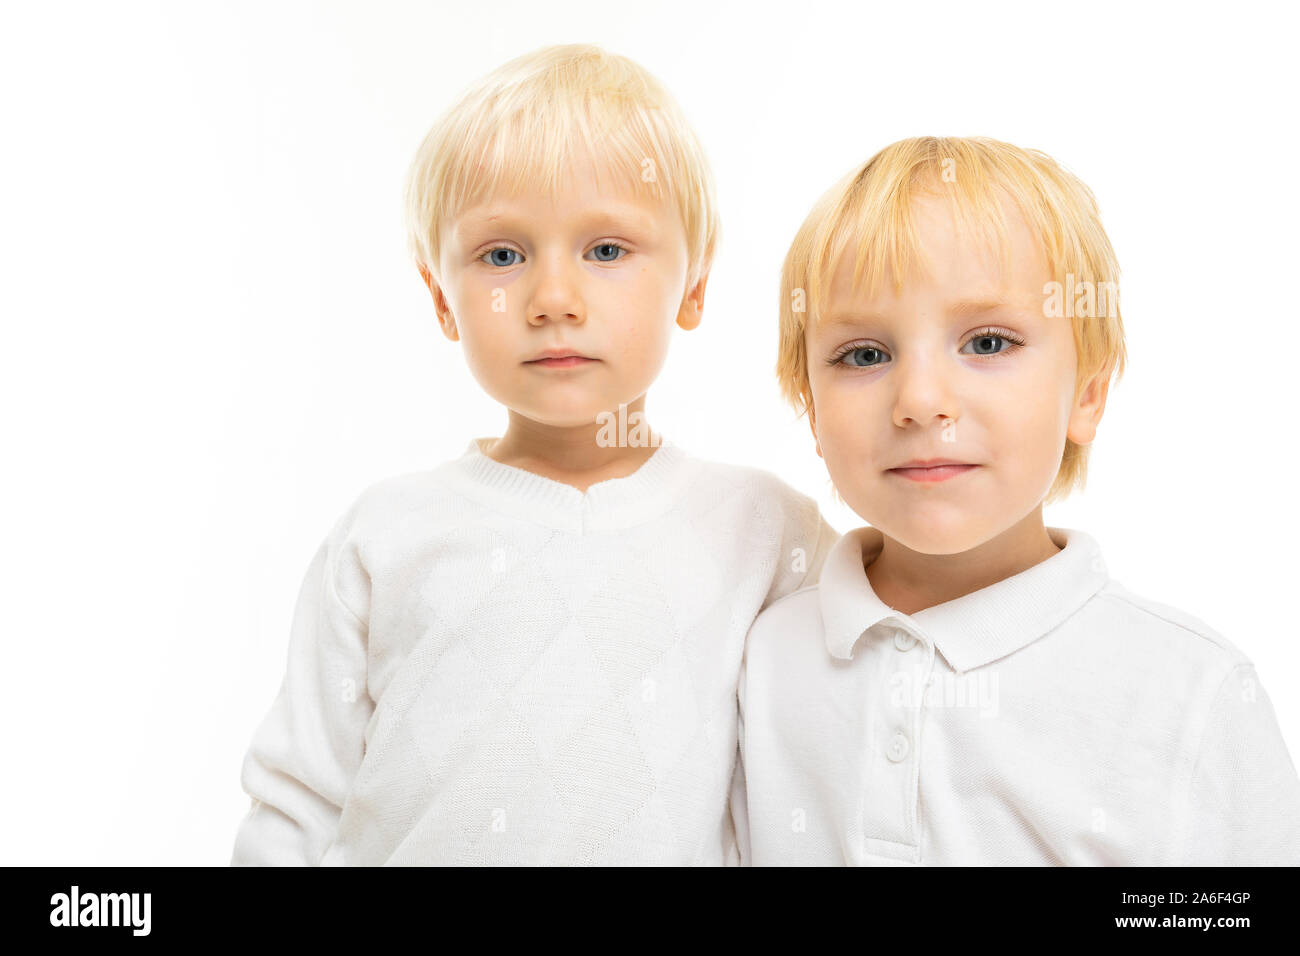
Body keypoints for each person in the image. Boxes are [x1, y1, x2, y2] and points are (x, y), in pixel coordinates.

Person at [231, 44, 837, 866]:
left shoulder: (769, 535)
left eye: (607, 251)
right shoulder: (385, 535)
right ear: (442, 299)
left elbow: (818, 787)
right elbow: (298, 799)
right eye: (503, 256)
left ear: (694, 283)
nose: (554, 300)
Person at [735, 135, 1300, 865]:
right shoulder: (761, 658)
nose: (921, 401)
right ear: (811, 411)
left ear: (1087, 396)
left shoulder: (1190, 694)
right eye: (865, 355)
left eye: (989, 343)